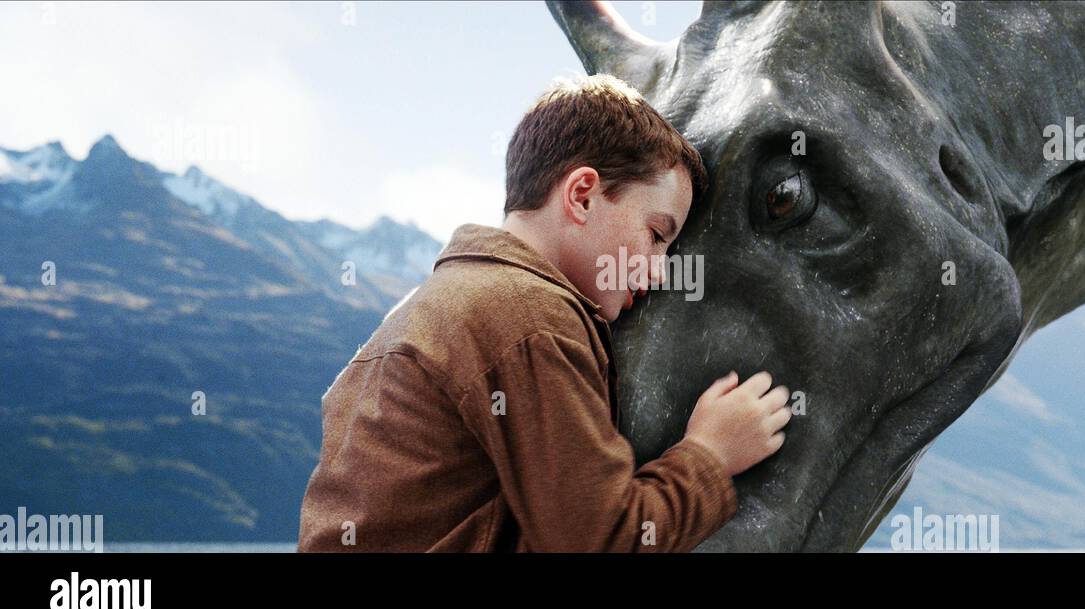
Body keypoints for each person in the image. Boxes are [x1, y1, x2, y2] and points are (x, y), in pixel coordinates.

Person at [297, 74, 792, 552]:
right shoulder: (530, 318)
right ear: (582, 195)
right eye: (657, 234)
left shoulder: (426, 308)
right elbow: (598, 540)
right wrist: (712, 454)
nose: (659, 271)